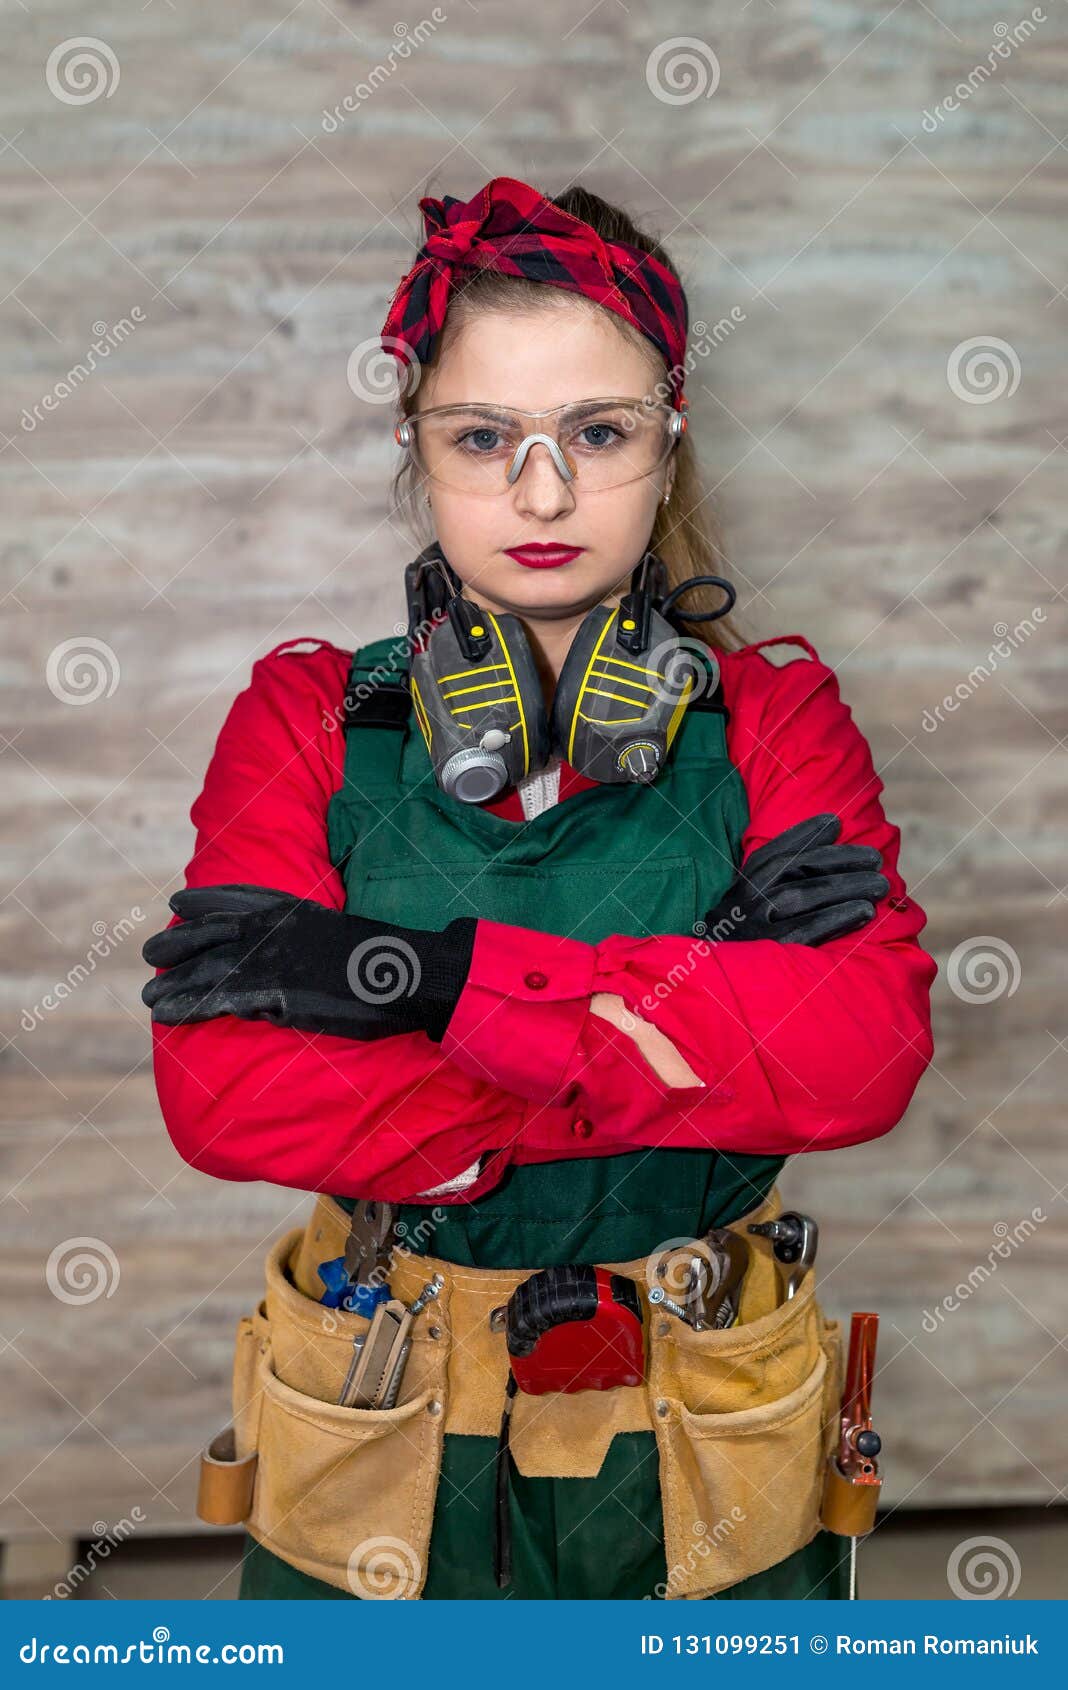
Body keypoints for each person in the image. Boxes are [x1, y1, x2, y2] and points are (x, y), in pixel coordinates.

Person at [142, 175, 936, 1602]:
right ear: (417, 443)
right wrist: (696, 998)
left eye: (602, 431)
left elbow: (865, 1050)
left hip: (704, 1430)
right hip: (378, 1413)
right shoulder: (303, 717)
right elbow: (222, 1092)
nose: (545, 490)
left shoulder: (777, 717)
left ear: (671, 438)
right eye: (482, 435)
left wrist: (427, 980)